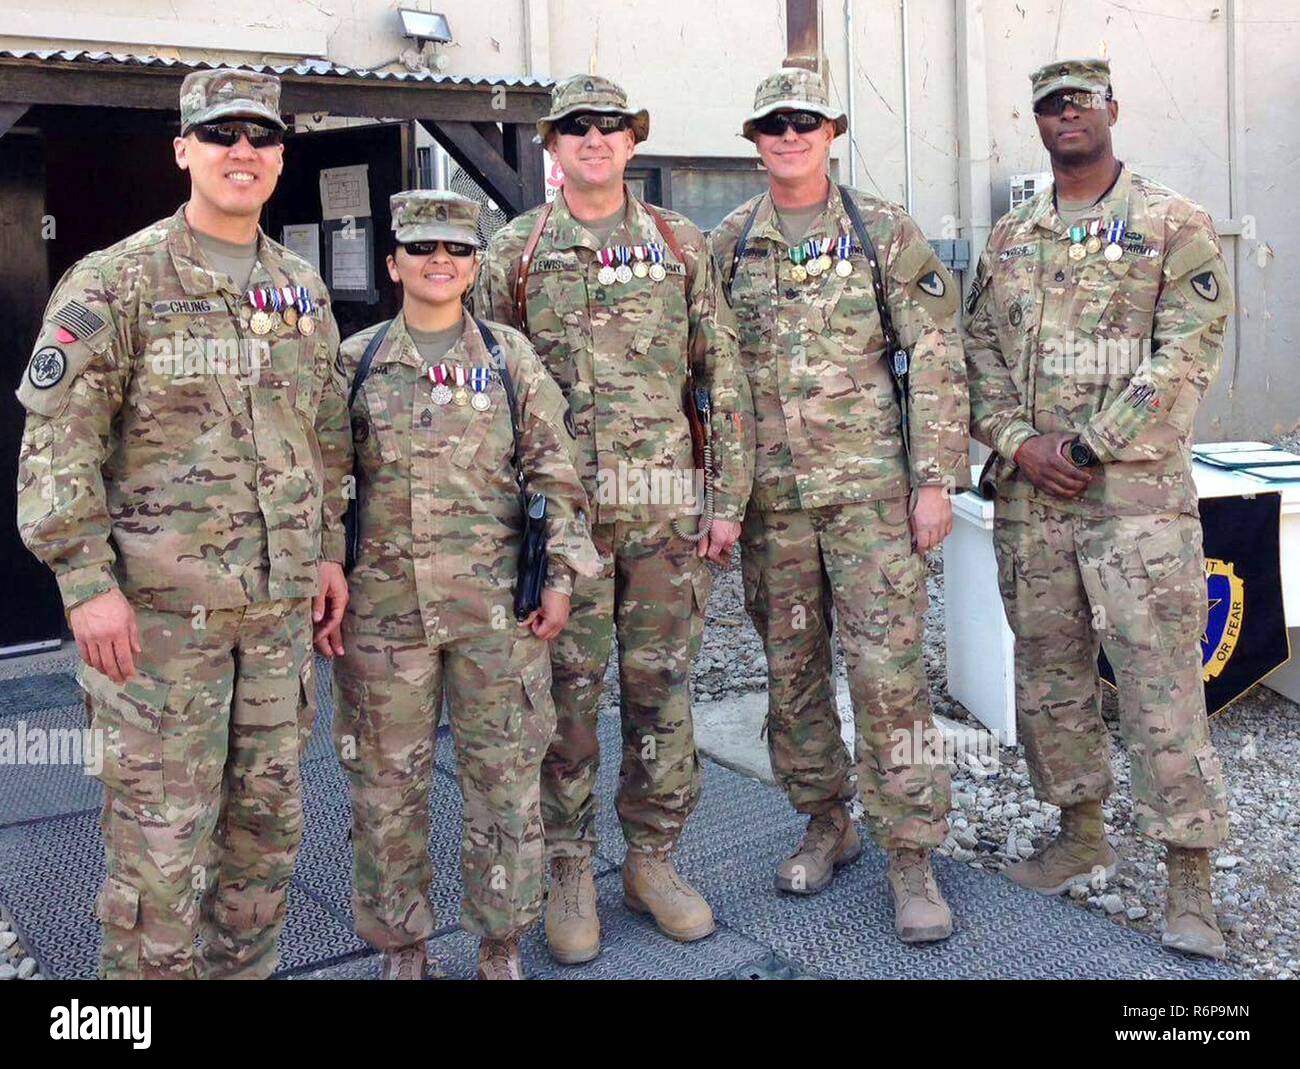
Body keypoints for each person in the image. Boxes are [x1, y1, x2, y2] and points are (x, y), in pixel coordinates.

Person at [15, 69, 351, 978]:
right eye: (219, 134)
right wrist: (85, 584)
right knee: (160, 856)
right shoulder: (116, 282)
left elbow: (321, 432)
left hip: (276, 622)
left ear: (282, 156)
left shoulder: (300, 290)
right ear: (182, 152)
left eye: (259, 136)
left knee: (267, 836)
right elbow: (57, 447)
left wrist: (327, 555)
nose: (241, 151)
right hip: (158, 626)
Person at [473, 74, 754, 964]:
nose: (594, 139)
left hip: (668, 520)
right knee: (565, 699)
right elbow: (491, 400)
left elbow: (721, 375)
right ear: (552, 146)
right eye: (575, 128)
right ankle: (566, 866)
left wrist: (728, 498)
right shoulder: (513, 253)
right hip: (567, 529)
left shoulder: (678, 244)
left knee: (662, 694)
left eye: (609, 127)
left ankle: (653, 859)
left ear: (633, 141)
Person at [964, 58, 1233, 959]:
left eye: (1081, 101)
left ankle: (1188, 878)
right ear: (1036, 122)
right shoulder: (1009, 237)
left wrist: (1088, 445)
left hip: (1136, 506)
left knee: (1160, 685)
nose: (1066, 115)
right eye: (1049, 105)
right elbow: (975, 353)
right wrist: (1017, 443)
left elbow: (1187, 352)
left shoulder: (1171, 224)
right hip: (1033, 507)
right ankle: (1080, 832)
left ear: (1113, 109)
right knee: (1049, 678)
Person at [708, 67, 969, 944]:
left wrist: (934, 479)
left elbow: (934, 354)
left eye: (805, 122)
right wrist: (720, 497)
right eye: (773, 123)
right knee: (792, 679)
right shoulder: (729, 244)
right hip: (773, 506)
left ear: (832, 132)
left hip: (871, 504)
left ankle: (913, 853)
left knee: (891, 681)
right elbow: (707, 377)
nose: (789, 135)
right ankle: (828, 822)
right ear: (755, 140)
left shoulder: (881, 231)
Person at [332, 190, 600, 980]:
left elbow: (555, 474)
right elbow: (324, 481)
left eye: (455, 249)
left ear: (476, 264)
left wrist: (558, 577)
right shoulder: (357, 361)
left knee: (505, 785)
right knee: (385, 792)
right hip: (385, 619)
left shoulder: (510, 358)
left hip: (497, 615)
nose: (438, 261)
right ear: (393, 263)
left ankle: (500, 941)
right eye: (421, 249)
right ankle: (404, 948)